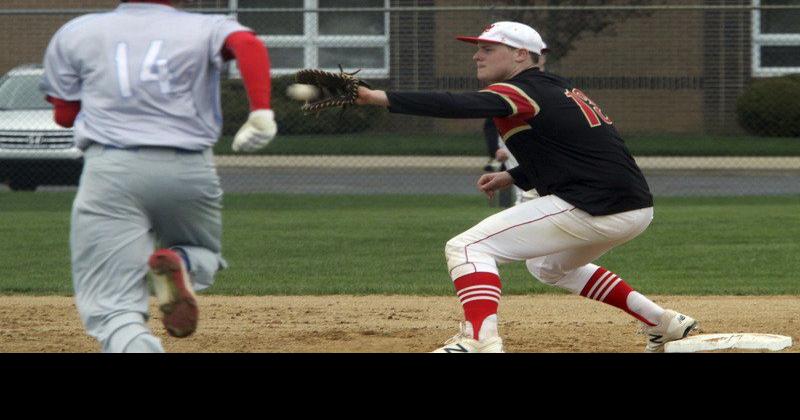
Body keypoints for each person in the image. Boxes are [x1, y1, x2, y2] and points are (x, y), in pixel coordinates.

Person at [355, 21, 698, 353]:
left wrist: (376, 97)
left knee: (468, 247)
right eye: (478, 50)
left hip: (593, 204)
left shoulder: (520, 90)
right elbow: (571, 151)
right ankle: (662, 322)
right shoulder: (554, 87)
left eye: (488, 49)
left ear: (520, 55)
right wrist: (514, 176)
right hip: (632, 207)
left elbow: (457, 104)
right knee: (547, 267)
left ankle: (480, 340)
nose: (477, 56)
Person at [40, 0, 276, 352]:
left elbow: (64, 114)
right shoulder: (204, 26)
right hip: (189, 167)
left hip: (113, 169)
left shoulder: (79, 31)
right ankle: (181, 262)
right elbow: (248, 44)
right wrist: (260, 111)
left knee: (114, 309)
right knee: (203, 254)